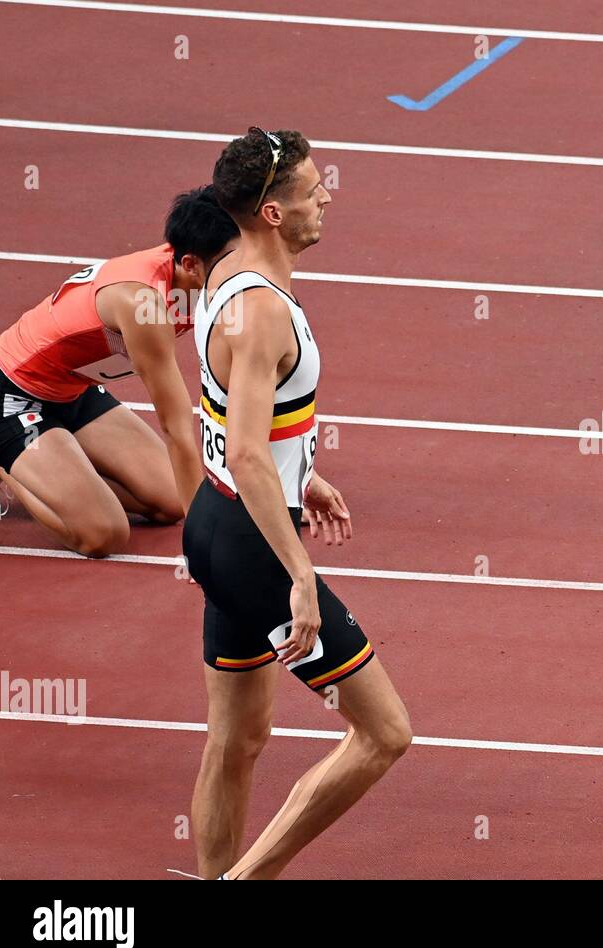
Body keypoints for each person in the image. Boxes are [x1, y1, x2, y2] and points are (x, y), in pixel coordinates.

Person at [184, 128, 411, 880]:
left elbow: (231, 420)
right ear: (274, 214)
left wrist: (300, 474)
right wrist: (301, 574)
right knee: (384, 733)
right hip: (254, 546)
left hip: (215, 523)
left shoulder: (227, 274)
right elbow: (248, 452)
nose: (327, 199)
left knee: (236, 739)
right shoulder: (264, 313)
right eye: (314, 191)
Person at [0, 187, 238, 556]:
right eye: (233, 260)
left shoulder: (210, 273)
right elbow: (175, 424)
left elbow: (245, 383)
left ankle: (59, 466)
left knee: (169, 500)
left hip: (75, 388)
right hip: (11, 398)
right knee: (103, 535)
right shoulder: (142, 302)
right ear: (190, 265)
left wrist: (292, 483)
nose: (245, 270)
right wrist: (210, 530)